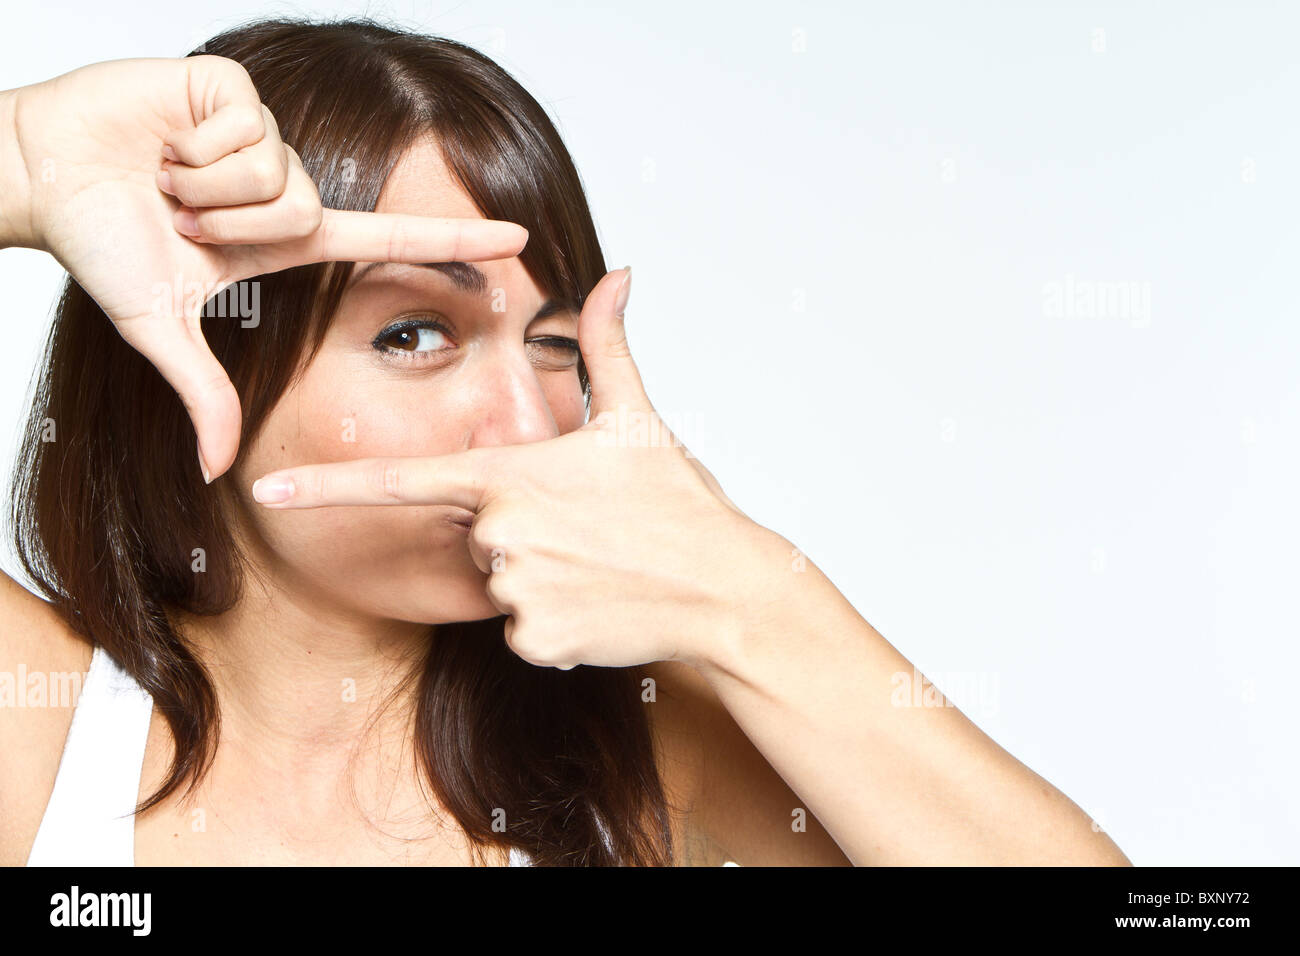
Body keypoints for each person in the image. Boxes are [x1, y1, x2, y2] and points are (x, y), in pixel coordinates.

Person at [0, 17, 1133, 866]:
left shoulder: (636, 745)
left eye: (555, 343)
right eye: (414, 331)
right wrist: (17, 158)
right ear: (197, 359)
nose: (534, 425)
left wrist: (747, 594)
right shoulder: (39, 721)